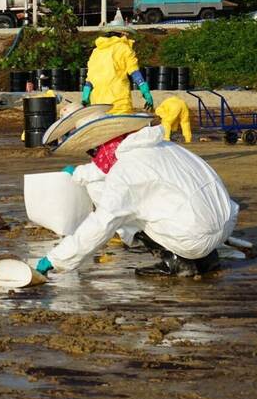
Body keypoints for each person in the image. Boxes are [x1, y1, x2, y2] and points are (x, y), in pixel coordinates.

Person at [34, 111, 238, 278]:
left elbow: (100, 226)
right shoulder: (163, 146)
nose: (94, 158)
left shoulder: (125, 172)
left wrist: (55, 259)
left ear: (101, 148)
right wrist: (79, 173)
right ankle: (206, 259)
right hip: (225, 222)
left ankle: (176, 260)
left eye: (93, 153)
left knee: (120, 212)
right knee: (132, 197)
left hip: (194, 238)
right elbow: (113, 169)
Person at [81, 26, 153, 115]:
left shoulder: (96, 51)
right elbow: (135, 73)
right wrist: (146, 92)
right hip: (119, 104)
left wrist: (85, 96)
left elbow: (90, 78)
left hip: (98, 105)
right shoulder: (124, 48)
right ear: (123, 34)